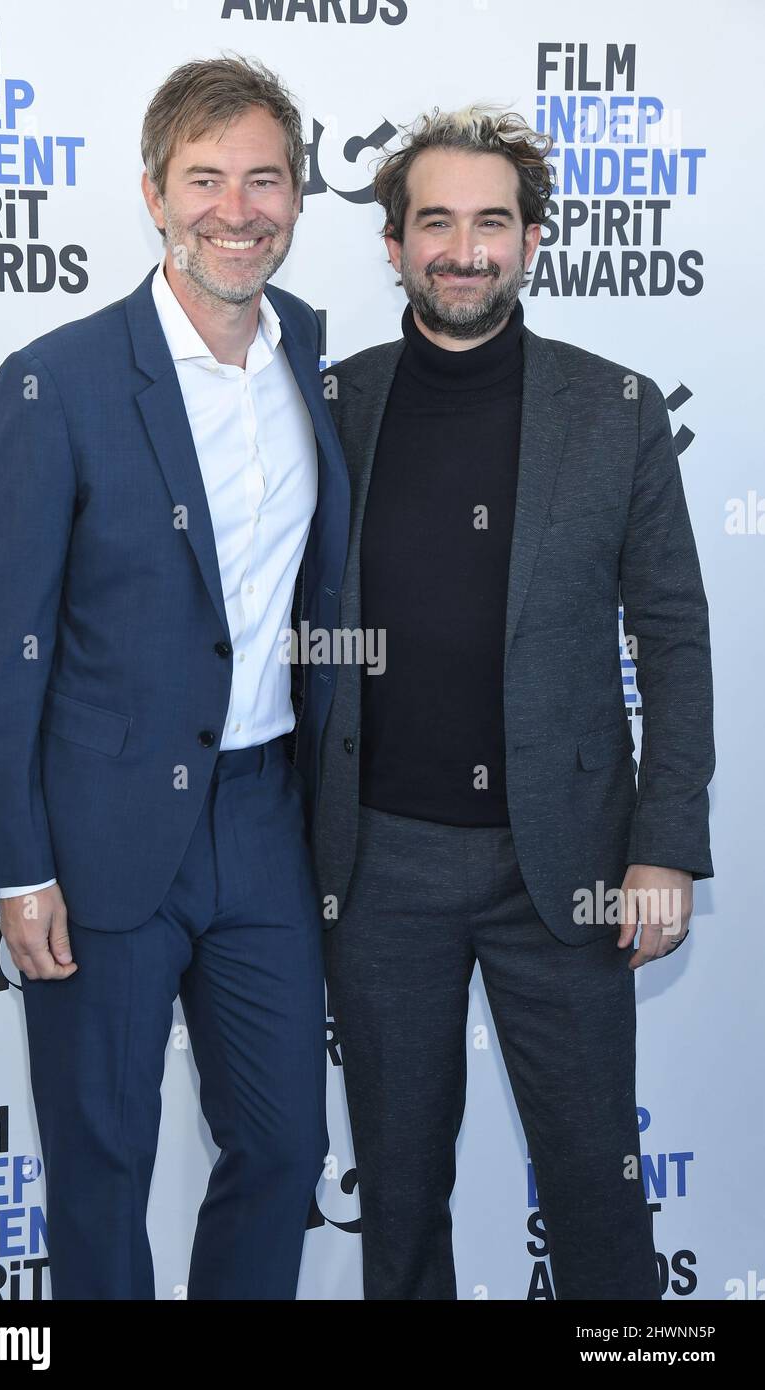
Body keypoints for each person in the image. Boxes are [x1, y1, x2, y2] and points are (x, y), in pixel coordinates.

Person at [0, 55, 349, 1300]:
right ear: (151, 194)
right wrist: (19, 869)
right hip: (100, 834)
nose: (237, 210)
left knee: (287, 1144)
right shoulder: (58, 380)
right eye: (204, 180)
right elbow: (2, 645)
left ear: (298, 196)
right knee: (102, 1164)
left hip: (264, 819)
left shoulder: (318, 362)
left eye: (264, 179)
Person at [313, 104, 714, 1300]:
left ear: (531, 239)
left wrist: (664, 845)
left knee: (593, 1181)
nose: (463, 248)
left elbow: (672, 630)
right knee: (394, 1190)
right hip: (378, 865)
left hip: (569, 863)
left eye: (491, 221)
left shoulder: (617, 409)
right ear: (391, 243)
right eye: (433, 221)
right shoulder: (331, 403)